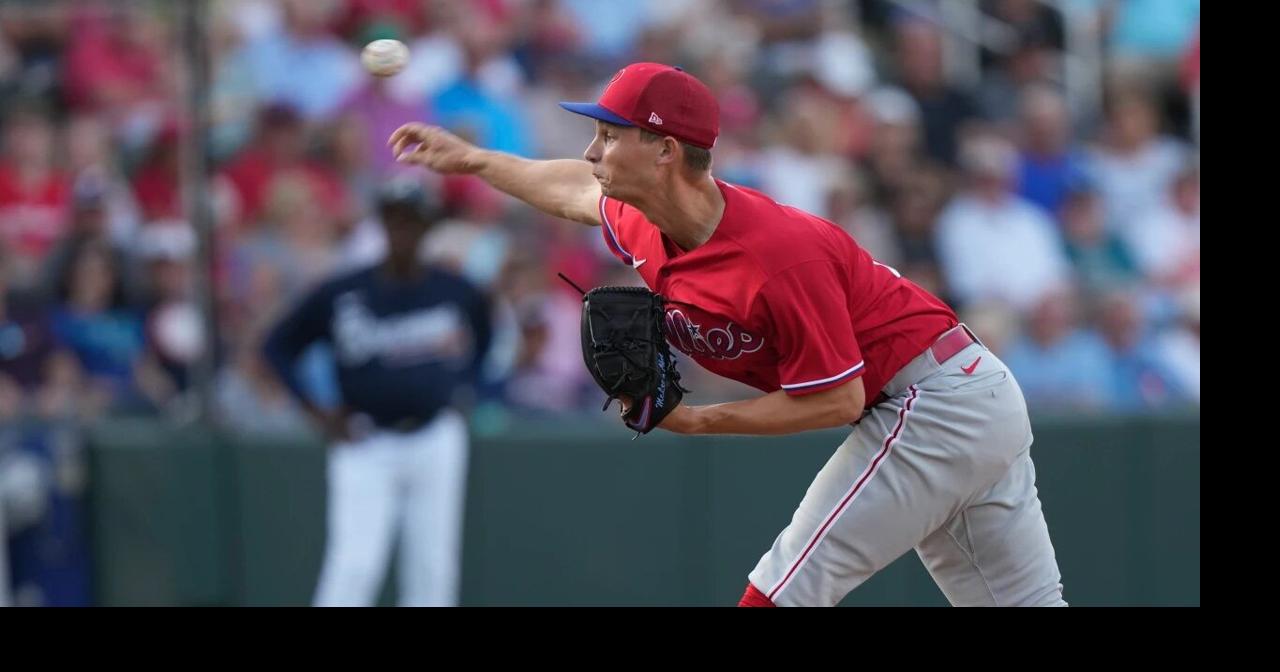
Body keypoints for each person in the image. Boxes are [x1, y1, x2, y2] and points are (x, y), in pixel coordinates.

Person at [388, 62, 1065, 607]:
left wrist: (698, 422)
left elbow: (838, 401)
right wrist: (475, 161)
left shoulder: (778, 256)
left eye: (611, 133)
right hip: (961, 398)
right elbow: (568, 189)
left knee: (785, 588)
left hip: (933, 399)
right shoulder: (642, 220)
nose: (592, 150)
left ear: (664, 150)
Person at [263, 179, 492, 607]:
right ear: (382, 223)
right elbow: (277, 346)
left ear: (428, 228)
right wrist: (316, 410)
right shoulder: (345, 291)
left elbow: (485, 334)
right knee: (355, 567)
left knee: (432, 571)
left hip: (435, 436)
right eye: (395, 218)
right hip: (366, 440)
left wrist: (466, 388)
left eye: (413, 220)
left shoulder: (454, 289)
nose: (403, 229)